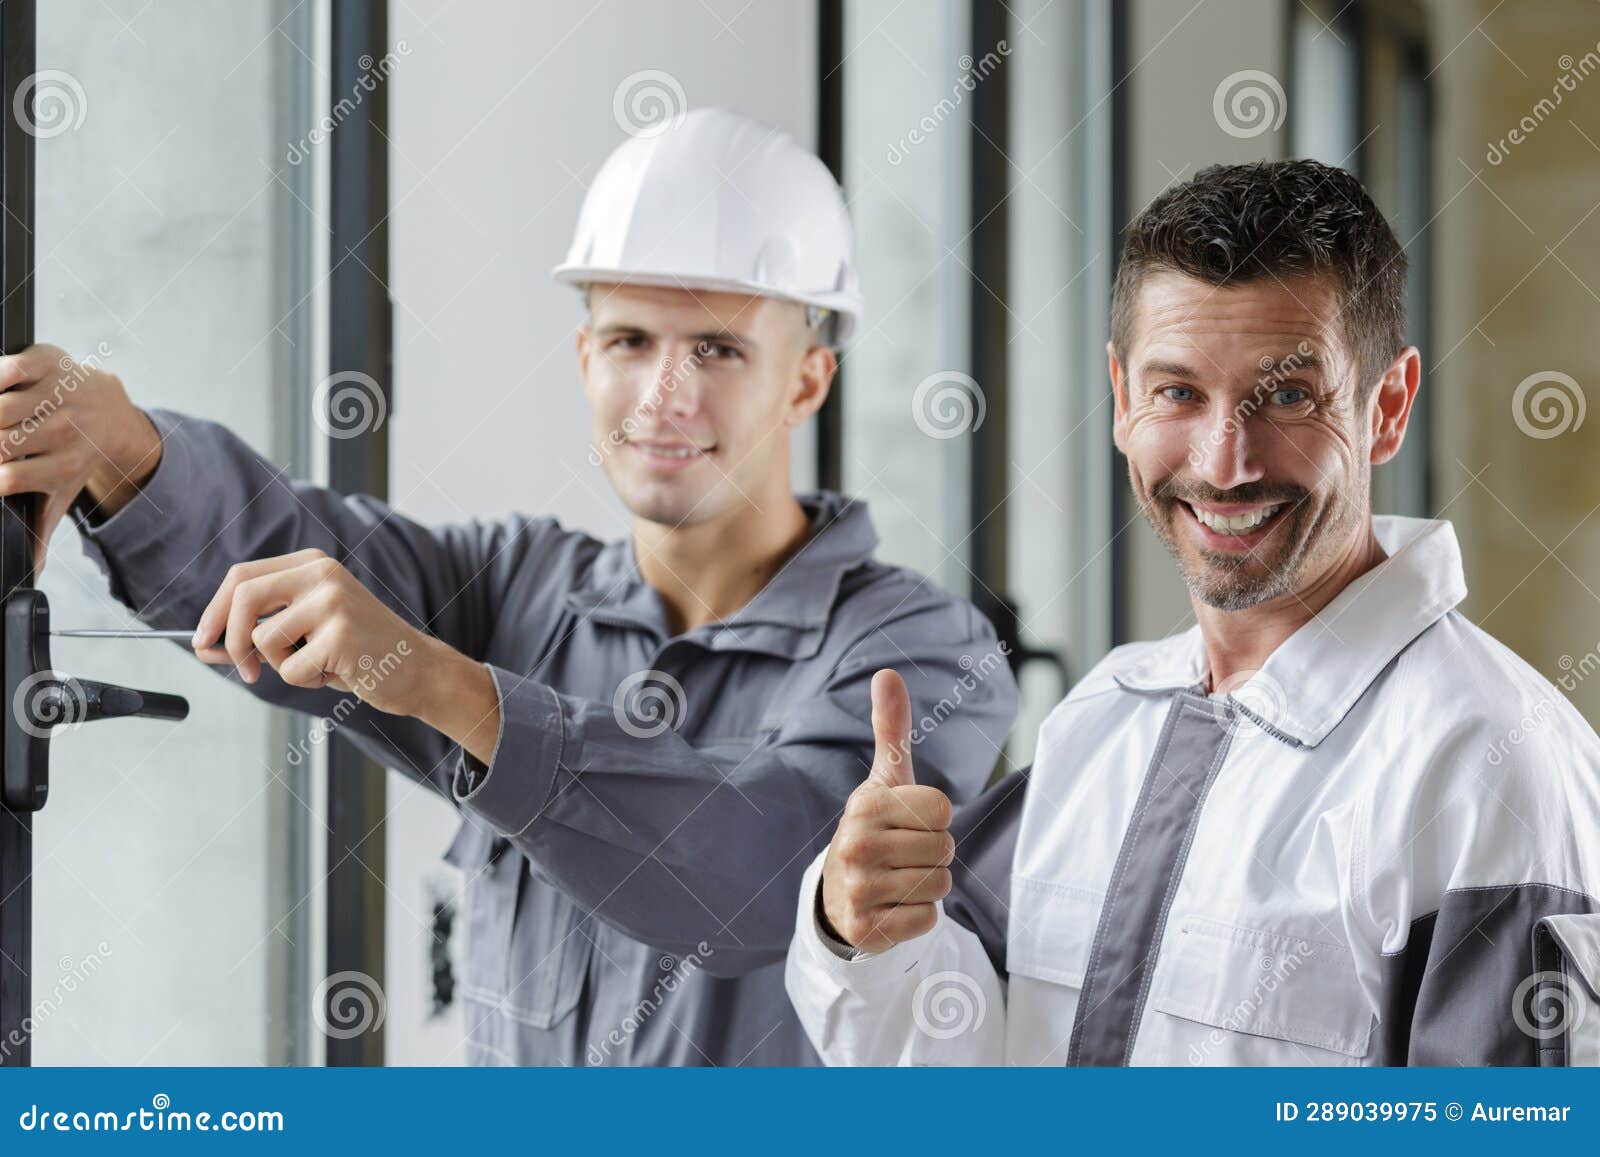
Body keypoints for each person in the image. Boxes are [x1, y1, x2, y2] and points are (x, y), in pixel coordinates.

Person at [0, 108, 1017, 1065]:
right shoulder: (515, 587)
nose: (664, 393)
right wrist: (125, 451)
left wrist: (451, 690)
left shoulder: (920, 652)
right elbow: (281, 558)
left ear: (805, 379)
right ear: (584, 357)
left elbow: (759, 884)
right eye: (629, 340)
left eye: (716, 346)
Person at [785, 159, 1600, 1067]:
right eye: (1179, 392)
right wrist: (854, 924)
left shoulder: (1492, 764)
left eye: (1288, 394)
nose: (1224, 462)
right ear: (1124, 400)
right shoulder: (1100, 719)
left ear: (1389, 406)